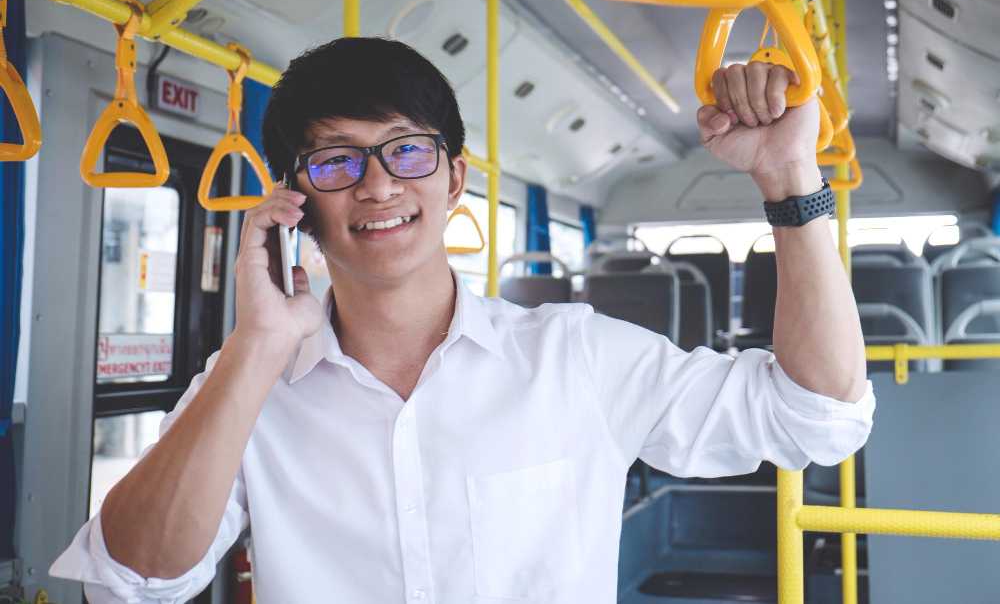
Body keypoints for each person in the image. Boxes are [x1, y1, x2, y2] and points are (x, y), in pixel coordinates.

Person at [51, 37, 874, 603]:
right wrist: (256, 343)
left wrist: (789, 178)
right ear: (296, 201)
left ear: (454, 179)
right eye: (337, 160)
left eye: (405, 150)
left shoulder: (575, 359)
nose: (377, 187)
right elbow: (126, 581)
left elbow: (818, 417)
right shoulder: (251, 390)